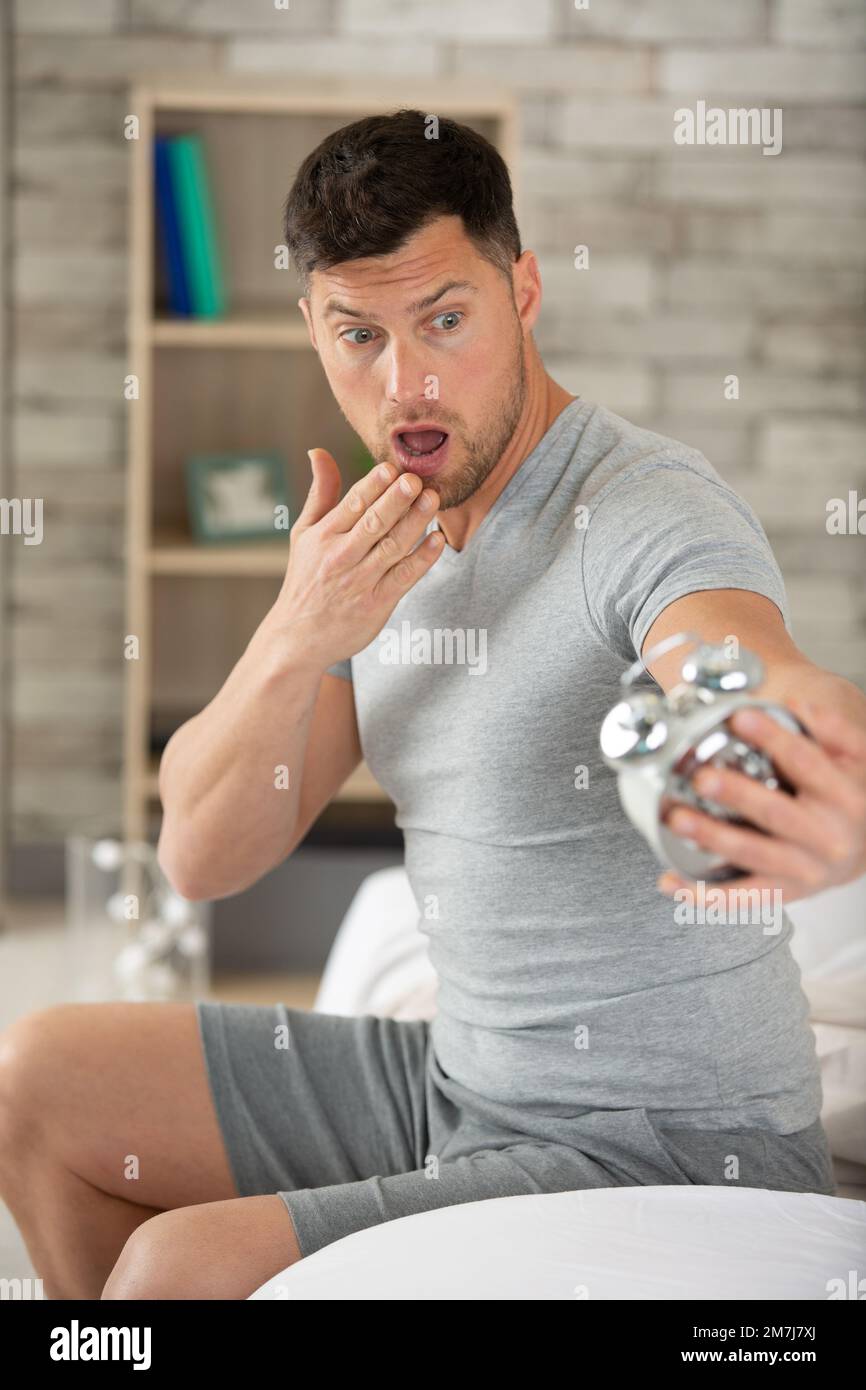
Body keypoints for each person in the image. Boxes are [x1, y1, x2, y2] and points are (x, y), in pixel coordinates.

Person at [2, 111, 864, 1302]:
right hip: (463, 1085)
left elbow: (729, 653)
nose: (404, 382)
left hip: (660, 1137)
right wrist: (301, 628)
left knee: (173, 1270)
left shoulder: (645, 508)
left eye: (443, 321)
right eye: (358, 334)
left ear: (521, 292)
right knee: (37, 1079)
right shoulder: (374, 538)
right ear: (311, 326)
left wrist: (785, 736)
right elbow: (199, 854)